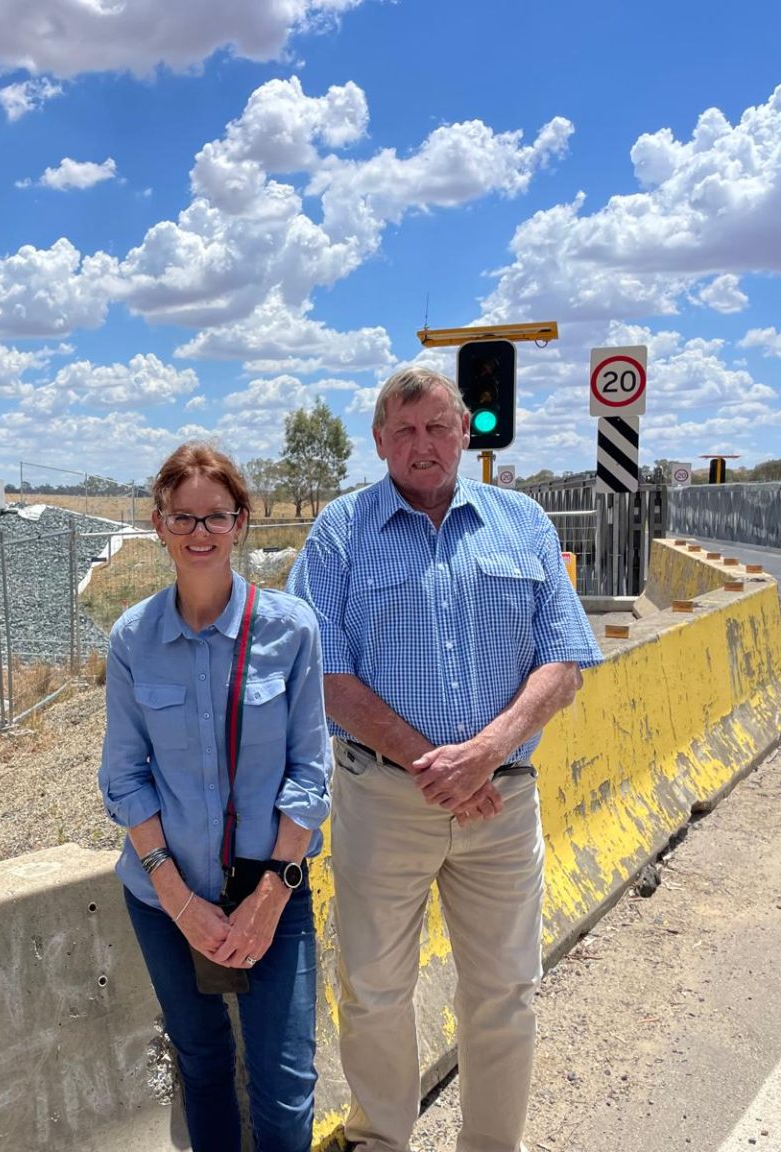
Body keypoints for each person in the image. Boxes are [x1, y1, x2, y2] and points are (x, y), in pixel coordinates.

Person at [286, 366, 603, 1152]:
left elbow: (563, 660)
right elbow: (323, 673)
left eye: (437, 427)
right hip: (385, 800)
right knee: (372, 989)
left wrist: (487, 752)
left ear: (466, 432)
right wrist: (437, 763)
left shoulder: (523, 522)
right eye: (404, 431)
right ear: (379, 441)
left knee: (505, 992)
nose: (421, 445)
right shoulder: (339, 531)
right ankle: (381, 1139)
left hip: (502, 802)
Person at [99, 442, 331, 1152]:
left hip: (273, 898)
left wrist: (266, 900)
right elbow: (125, 779)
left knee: (285, 1085)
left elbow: (311, 775)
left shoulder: (291, 631)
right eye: (184, 518)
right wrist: (178, 899)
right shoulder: (133, 640)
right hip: (165, 905)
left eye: (216, 517)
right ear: (158, 523)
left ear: (241, 522)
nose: (200, 533)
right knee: (202, 1067)